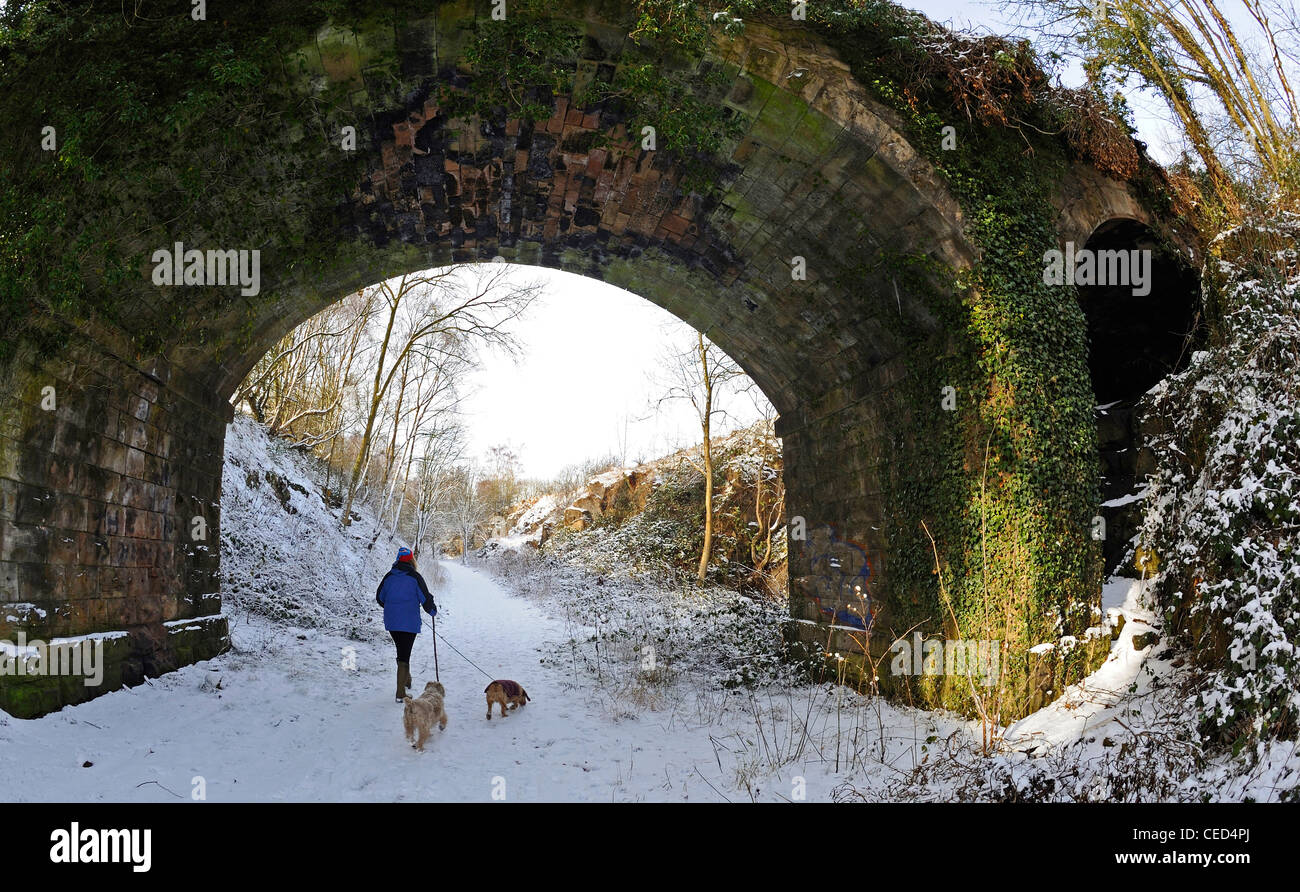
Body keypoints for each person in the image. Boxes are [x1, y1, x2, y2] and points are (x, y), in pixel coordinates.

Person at [375, 547, 437, 702]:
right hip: (409, 622)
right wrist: (432, 610)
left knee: (401, 651)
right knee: (404, 654)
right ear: (411, 560)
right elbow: (425, 598)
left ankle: (406, 680)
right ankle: (400, 693)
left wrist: (392, 608)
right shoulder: (414, 577)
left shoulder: (389, 576)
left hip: (392, 621)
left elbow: (380, 597)